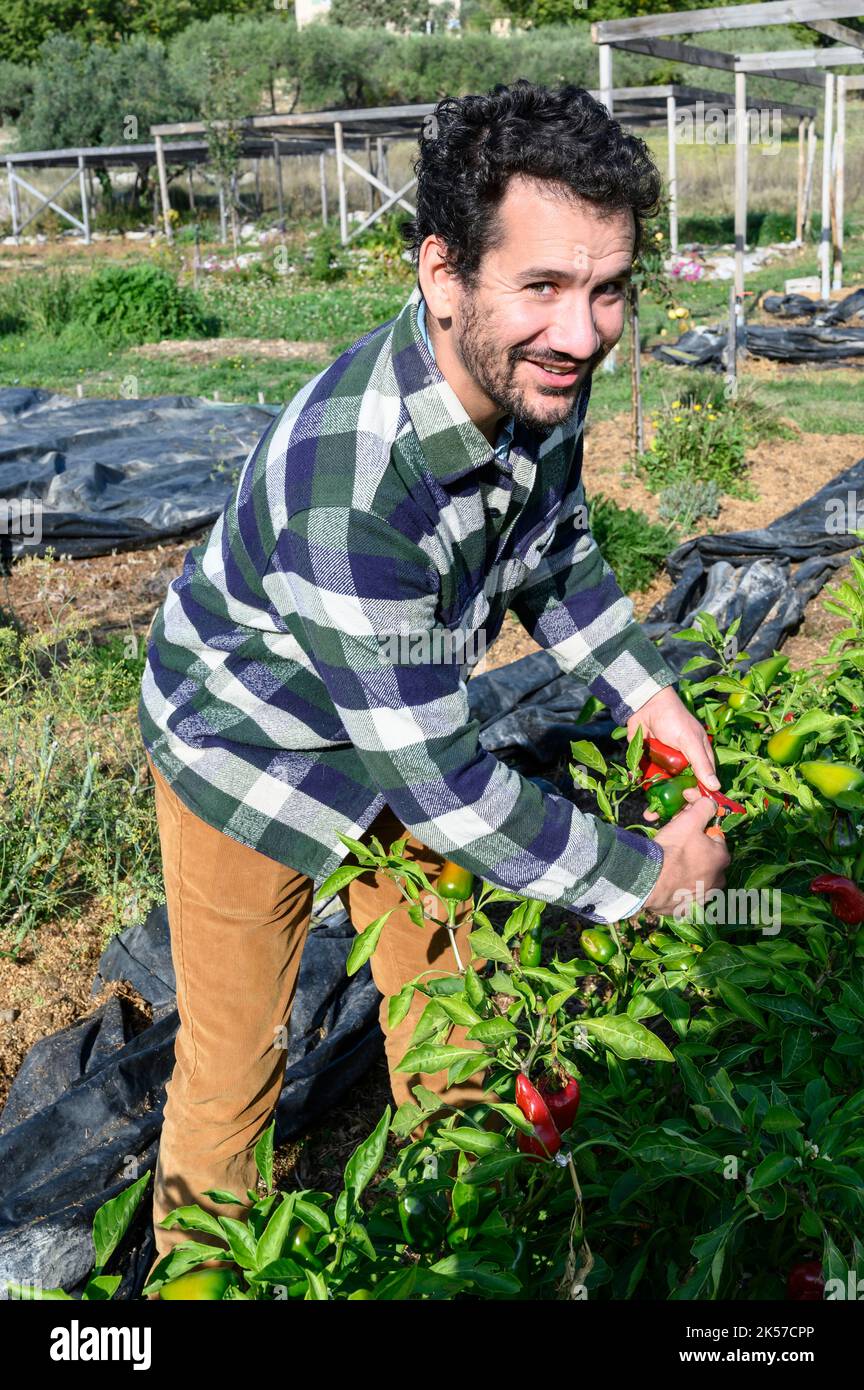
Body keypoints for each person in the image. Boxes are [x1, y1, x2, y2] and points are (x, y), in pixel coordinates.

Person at [138, 79, 729, 1275]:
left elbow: (550, 553)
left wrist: (646, 693)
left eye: (609, 287)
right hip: (250, 748)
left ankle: (468, 1243)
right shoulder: (352, 480)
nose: (583, 329)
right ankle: (196, 1276)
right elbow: (453, 793)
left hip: (406, 719)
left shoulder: (539, 376)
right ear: (443, 275)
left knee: (454, 1012)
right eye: (546, 286)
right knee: (237, 1062)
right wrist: (646, 877)